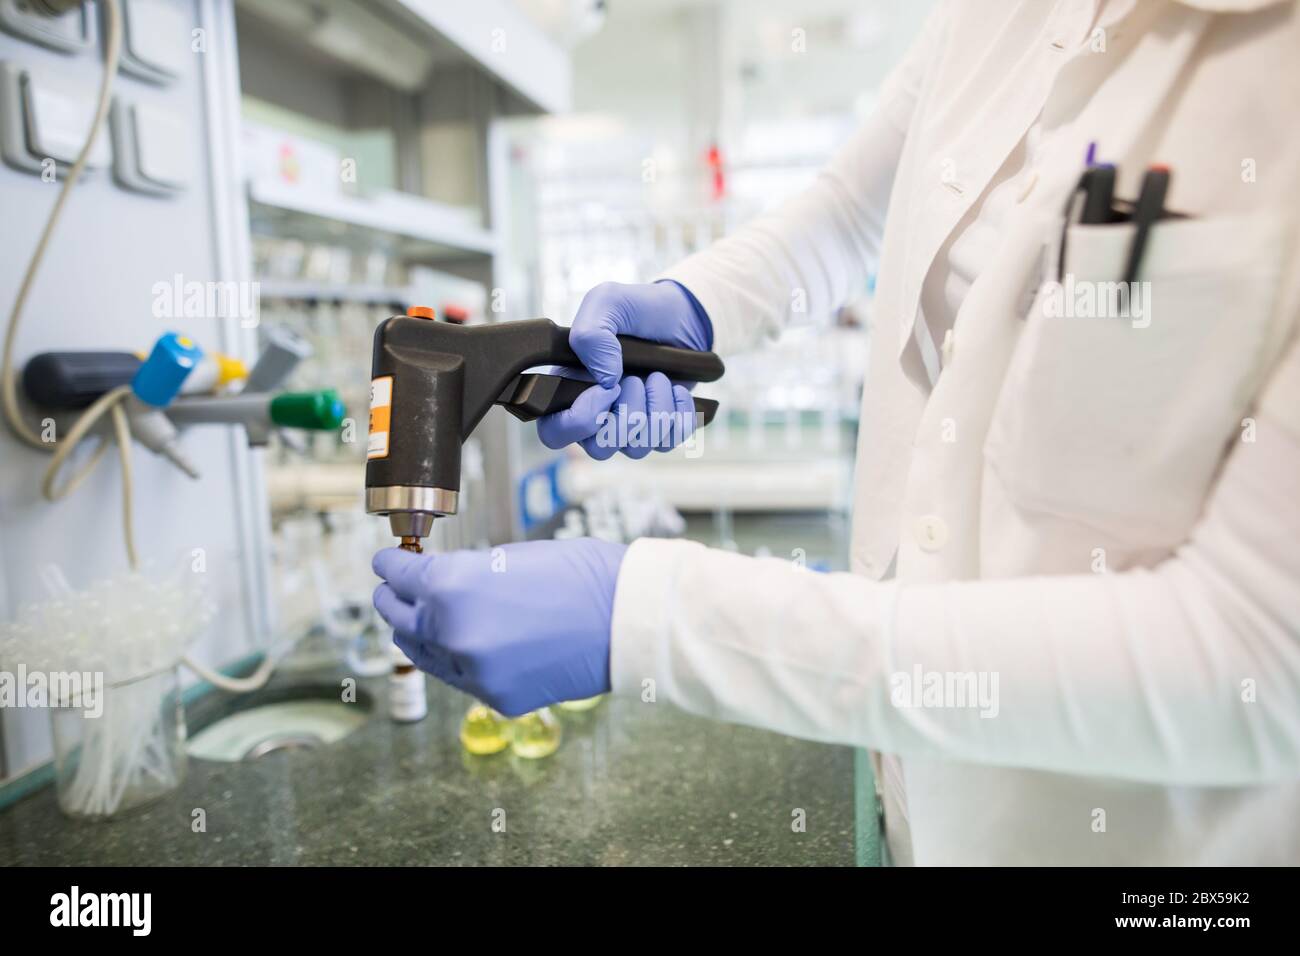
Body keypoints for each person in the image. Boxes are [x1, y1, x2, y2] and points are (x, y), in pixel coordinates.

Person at [373, 0, 1300, 865]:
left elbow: (1257, 659)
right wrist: (696, 307)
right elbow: (850, 212)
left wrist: (651, 616)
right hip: (917, 794)